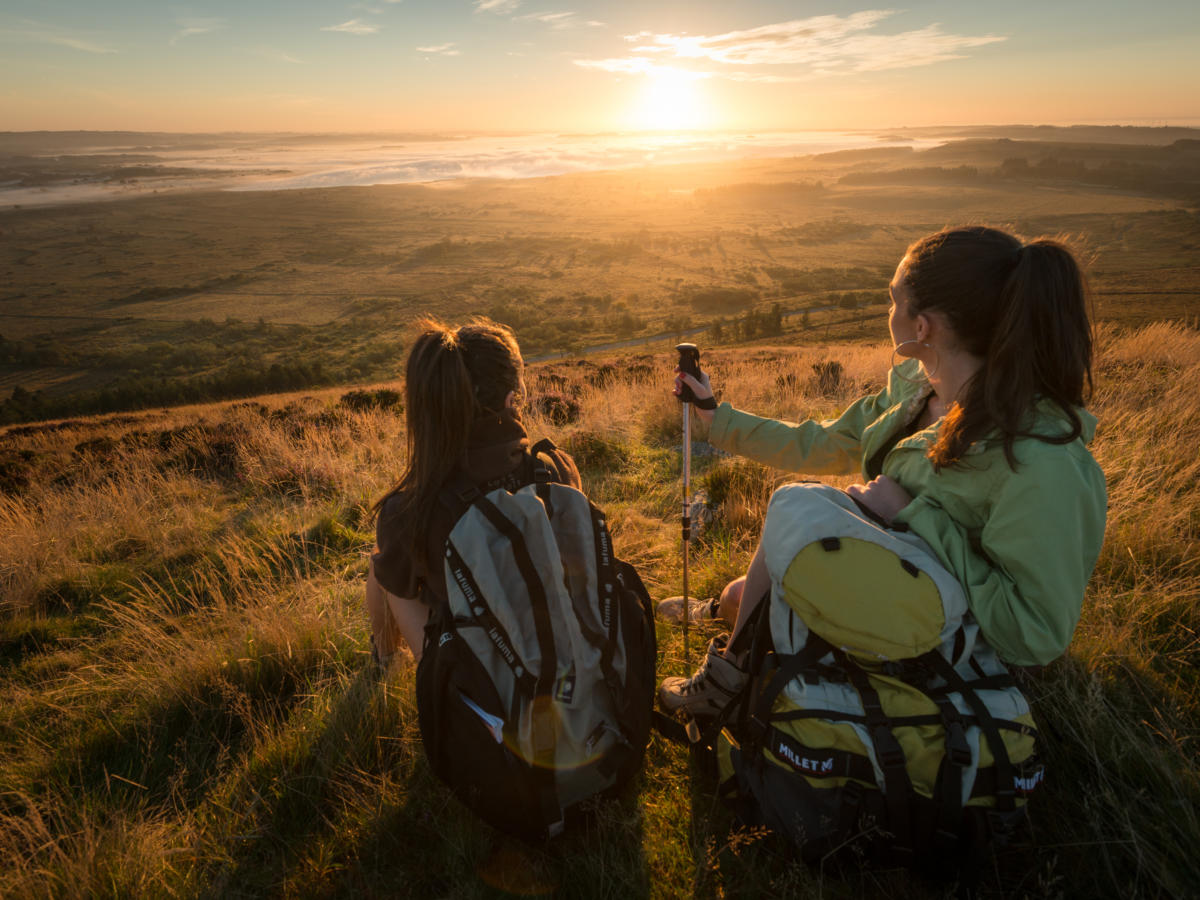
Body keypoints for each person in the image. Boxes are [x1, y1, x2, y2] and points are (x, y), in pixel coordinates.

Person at [659, 225, 1107, 717]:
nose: (887, 311)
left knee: (785, 526)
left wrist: (913, 513)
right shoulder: (918, 389)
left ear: (923, 327)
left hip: (943, 632)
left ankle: (729, 675)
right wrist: (716, 418)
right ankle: (725, 618)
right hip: (886, 575)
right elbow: (825, 441)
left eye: (894, 300)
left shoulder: (1041, 462)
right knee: (742, 594)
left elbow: (1034, 633)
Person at [366, 317, 580, 666]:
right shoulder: (556, 469)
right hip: (561, 662)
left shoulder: (409, 512)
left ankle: (388, 663)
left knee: (384, 567)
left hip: (479, 685)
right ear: (512, 399)